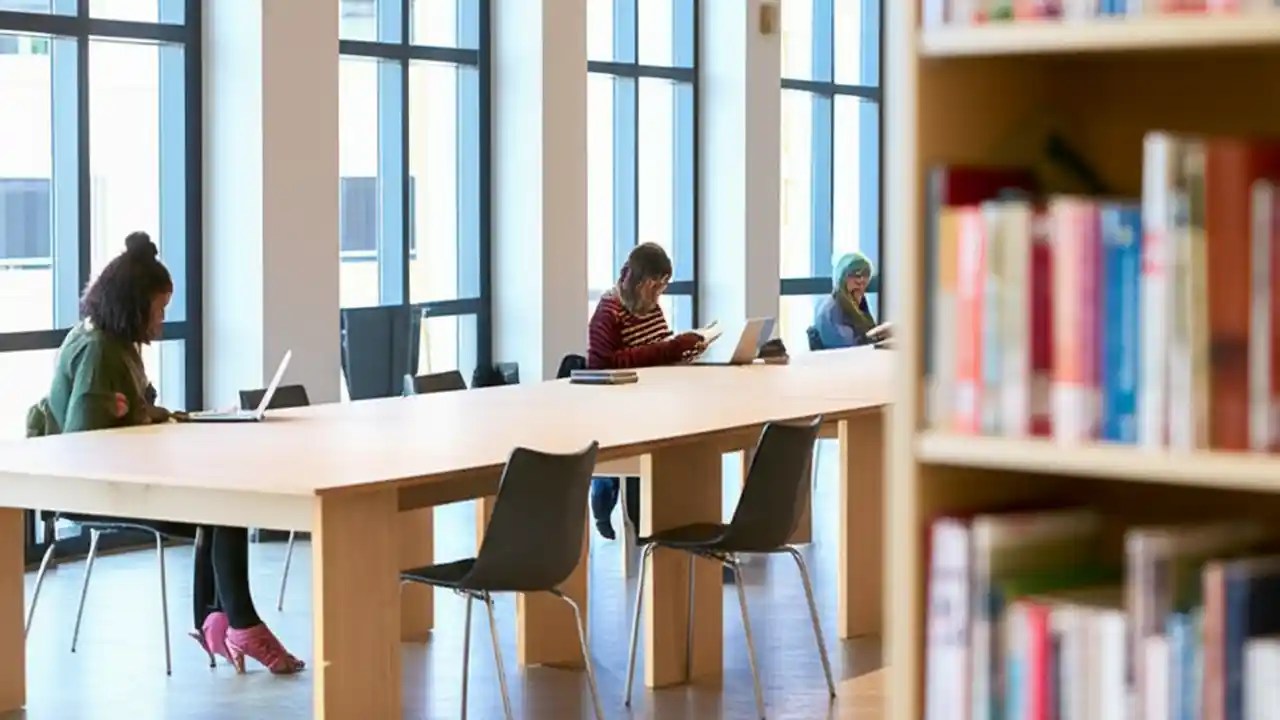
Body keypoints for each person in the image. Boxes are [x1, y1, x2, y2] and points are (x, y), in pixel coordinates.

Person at [25, 232, 304, 675]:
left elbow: (128, 416)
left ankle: (220, 621)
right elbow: (83, 444)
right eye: (159, 310)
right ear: (136, 305)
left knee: (221, 501)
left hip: (119, 477)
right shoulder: (100, 351)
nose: (161, 321)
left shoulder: (112, 341)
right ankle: (237, 623)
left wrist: (150, 415)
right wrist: (131, 417)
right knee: (223, 503)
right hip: (92, 492)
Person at [586, 242, 703, 539]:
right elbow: (603, 364)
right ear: (638, 282)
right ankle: (637, 521)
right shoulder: (609, 312)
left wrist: (683, 351)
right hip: (619, 406)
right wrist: (666, 350)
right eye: (654, 286)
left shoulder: (651, 308)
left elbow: (660, 345)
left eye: (662, 287)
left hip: (652, 399)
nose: (657, 294)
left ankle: (678, 527)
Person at [814, 251, 880, 349]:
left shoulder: (858, 303)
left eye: (865, 274)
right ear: (842, 278)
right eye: (855, 274)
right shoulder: (832, 308)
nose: (861, 281)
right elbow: (844, 345)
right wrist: (868, 338)